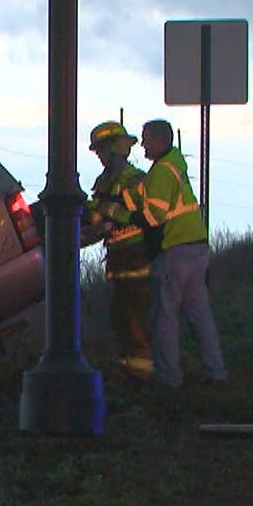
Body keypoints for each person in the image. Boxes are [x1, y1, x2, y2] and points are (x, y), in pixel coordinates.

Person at [138, 119, 226, 388]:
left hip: (176, 250)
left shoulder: (162, 172)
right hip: (197, 247)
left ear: (160, 140)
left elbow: (153, 216)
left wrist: (122, 214)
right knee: (200, 314)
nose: (142, 144)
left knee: (165, 315)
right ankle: (216, 371)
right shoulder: (176, 165)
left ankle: (168, 377)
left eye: (146, 138)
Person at [80, 120, 154, 379]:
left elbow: (138, 216)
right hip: (117, 258)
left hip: (137, 257)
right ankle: (129, 370)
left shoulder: (136, 181)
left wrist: (108, 217)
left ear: (115, 148)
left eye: (101, 150)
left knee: (136, 318)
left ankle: (144, 375)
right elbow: (96, 214)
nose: (99, 155)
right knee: (120, 315)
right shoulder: (103, 182)